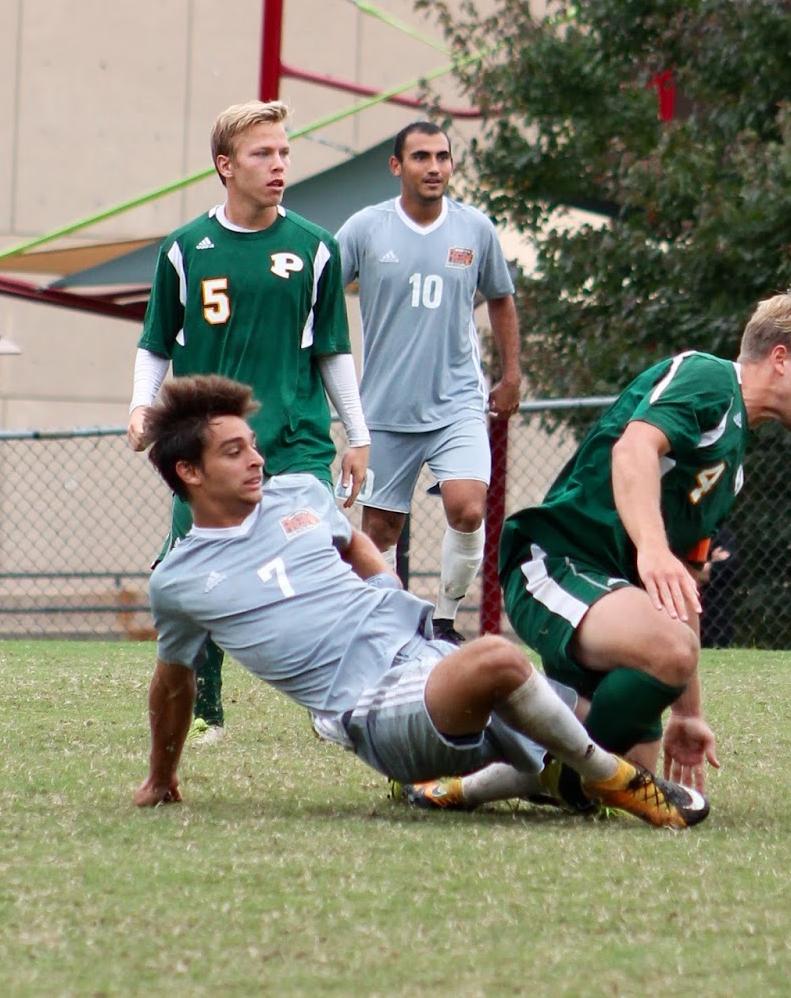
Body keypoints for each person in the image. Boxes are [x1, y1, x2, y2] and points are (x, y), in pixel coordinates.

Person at [131, 374, 706, 830]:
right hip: (371, 708)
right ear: (189, 471)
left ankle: (470, 788)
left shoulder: (300, 492)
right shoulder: (179, 579)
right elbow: (172, 682)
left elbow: (353, 540)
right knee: (500, 661)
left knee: (628, 742)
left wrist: (387, 591)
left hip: (425, 657)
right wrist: (162, 777)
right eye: (234, 452)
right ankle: (606, 778)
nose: (256, 460)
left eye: (253, 446)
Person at [492, 289, 791, 797]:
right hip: (556, 562)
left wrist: (688, 715)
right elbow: (634, 447)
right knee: (661, 663)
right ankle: (518, 732)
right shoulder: (708, 377)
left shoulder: (731, 468)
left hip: (611, 598)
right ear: (780, 358)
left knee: (636, 772)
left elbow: (681, 587)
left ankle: (541, 736)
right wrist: (651, 547)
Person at [126, 100, 371, 745]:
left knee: (323, 558)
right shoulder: (184, 249)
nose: (279, 164)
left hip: (294, 441)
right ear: (225, 166)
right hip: (212, 448)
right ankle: (207, 709)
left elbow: (332, 352)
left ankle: (342, 701)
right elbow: (156, 341)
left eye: (285, 152)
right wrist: (140, 405)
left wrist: (359, 435)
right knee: (191, 571)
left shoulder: (316, 247)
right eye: (264, 153)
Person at [335, 121, 521, 641]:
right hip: (385, 408)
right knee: (379, 532)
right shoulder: (365, 229)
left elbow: (501, 298)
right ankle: (384, 630)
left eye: (442, 157)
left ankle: (443, 619)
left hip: (457, 401)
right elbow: (321, 291)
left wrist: (511, 375)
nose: (433, 167)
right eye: (420, 157)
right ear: (397, 166)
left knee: (466, 506)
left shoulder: (475, 229)